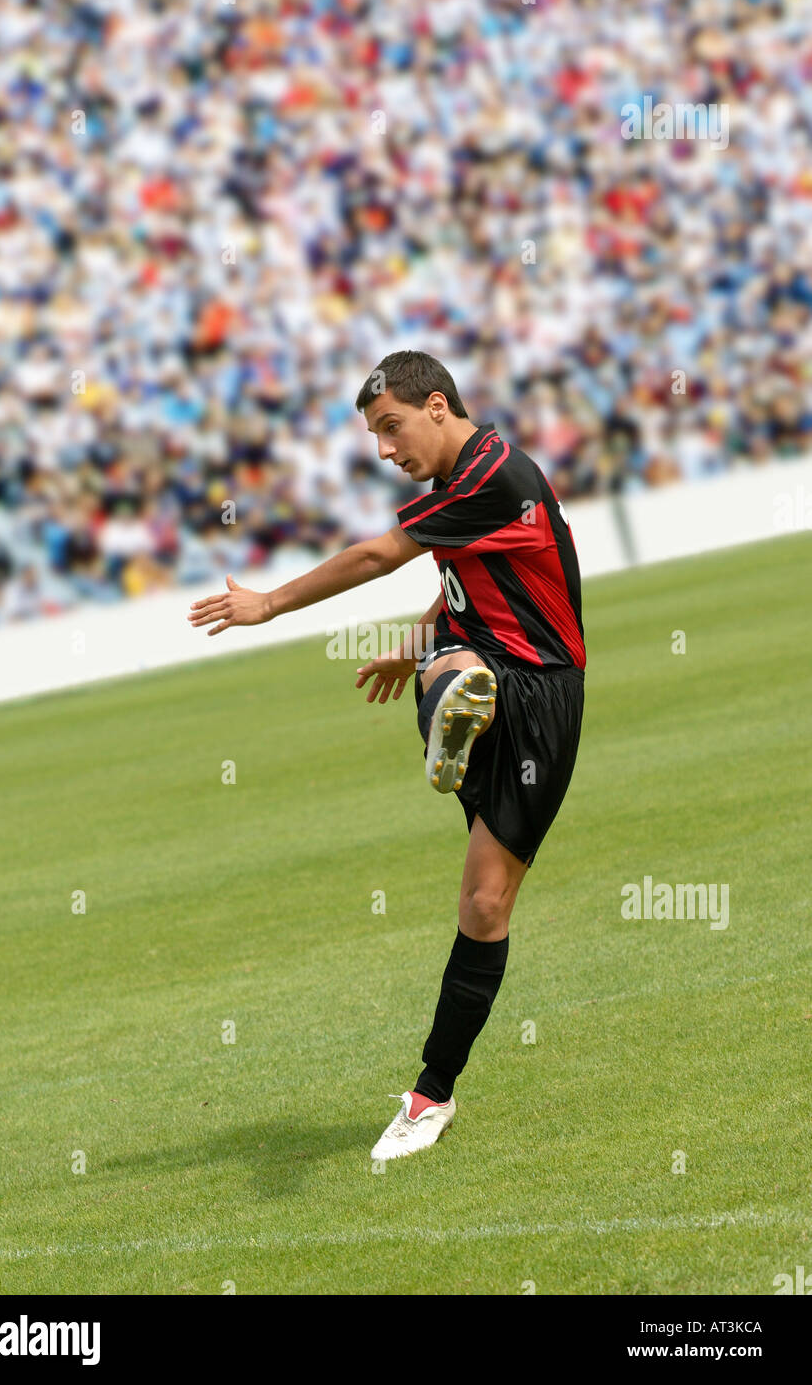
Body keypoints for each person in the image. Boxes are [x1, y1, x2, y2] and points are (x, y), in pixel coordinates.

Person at [188, 350, 586, 1161]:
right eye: (374, 434)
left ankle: (453, 702)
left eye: (390, 427)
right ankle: (451, 698)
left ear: (437, 405)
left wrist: (268, 601)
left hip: (538, 699)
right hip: (498, 670)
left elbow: (377, 555)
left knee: (461, 689)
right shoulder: (464, 486)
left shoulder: (494, 472)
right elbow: (465, 581)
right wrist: (415, 642)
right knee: (481, 905)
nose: (383, 449)